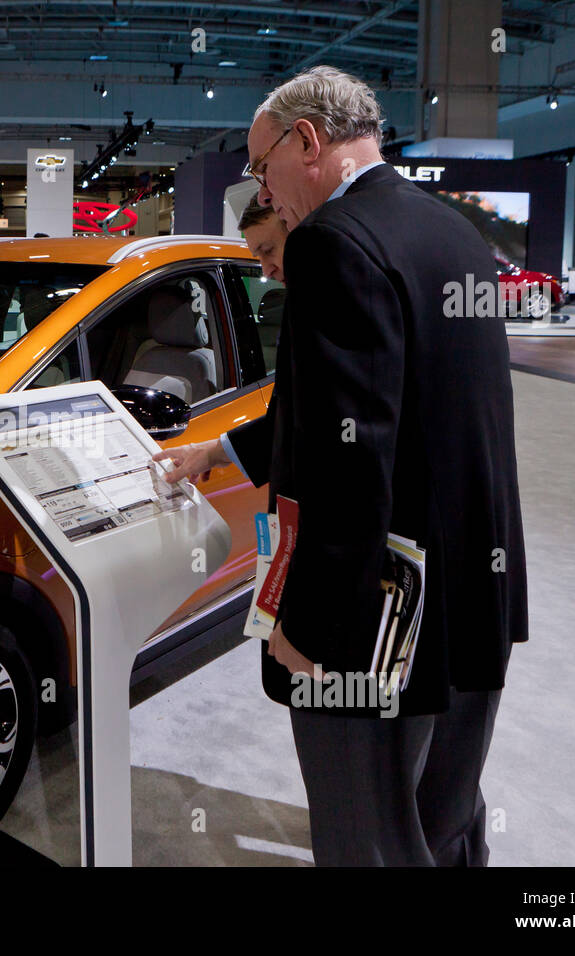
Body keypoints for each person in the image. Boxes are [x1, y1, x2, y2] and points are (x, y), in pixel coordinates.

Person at [153, 66, 527, 866]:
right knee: (445, 821)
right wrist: (217, 450)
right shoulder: (454, 230)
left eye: (261, 168)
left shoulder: (332, 240)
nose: (266, 190)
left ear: (308, 142)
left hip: (378, 619)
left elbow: (351, 457)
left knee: (368, 839)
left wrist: (313, 623)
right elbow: (391, 410)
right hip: (471, 597)